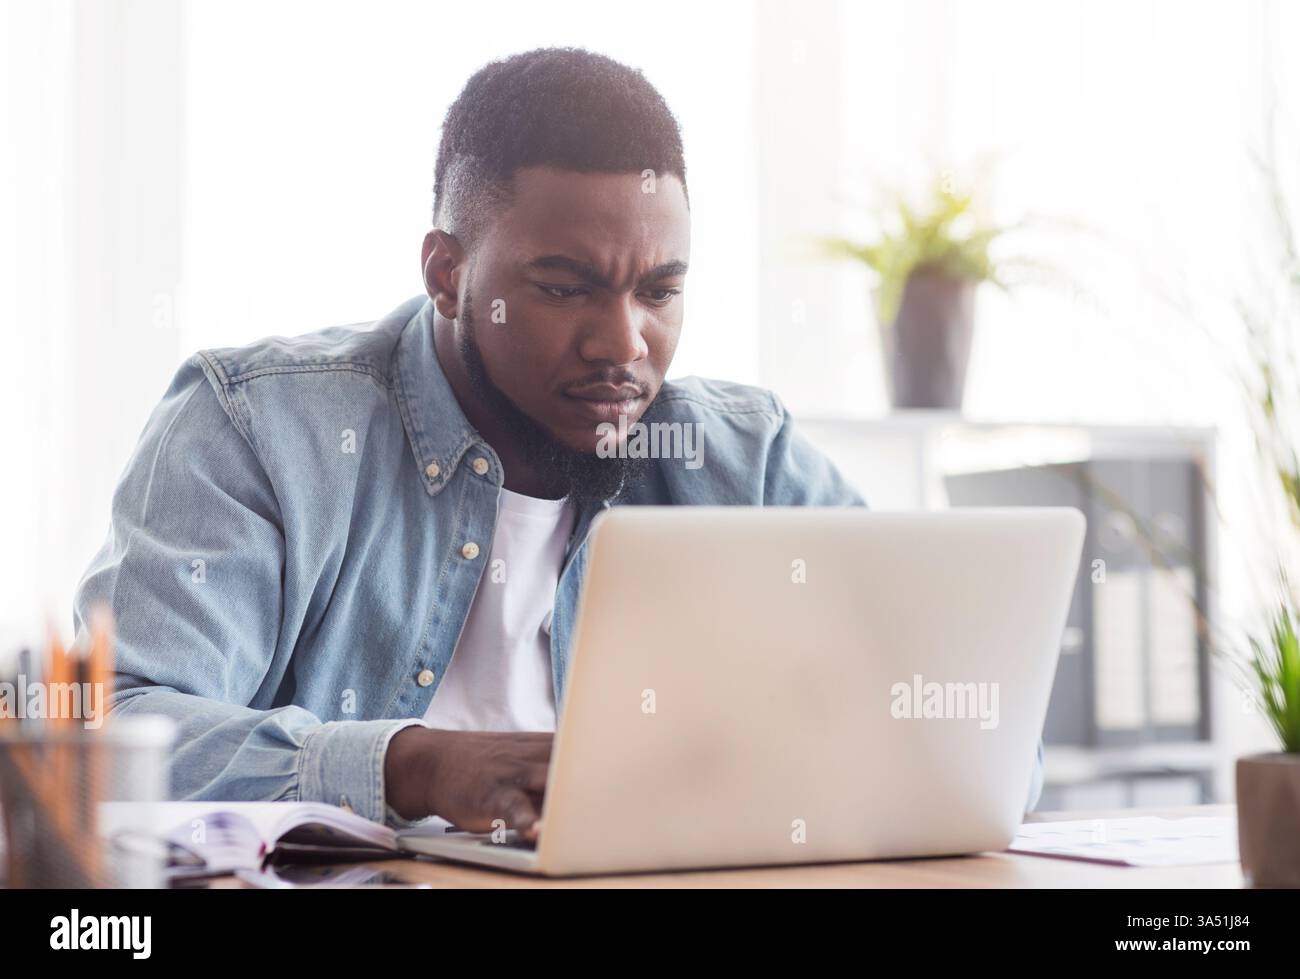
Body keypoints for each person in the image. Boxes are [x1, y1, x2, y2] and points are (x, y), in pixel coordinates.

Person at [74, 47, 1042, 838]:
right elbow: (104, 736)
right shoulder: (256, 430)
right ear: (448, 273)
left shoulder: (745, 460)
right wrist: (411, 765)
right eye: (566, 285)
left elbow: (983, 742)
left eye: (659, 291)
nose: (625, 344)